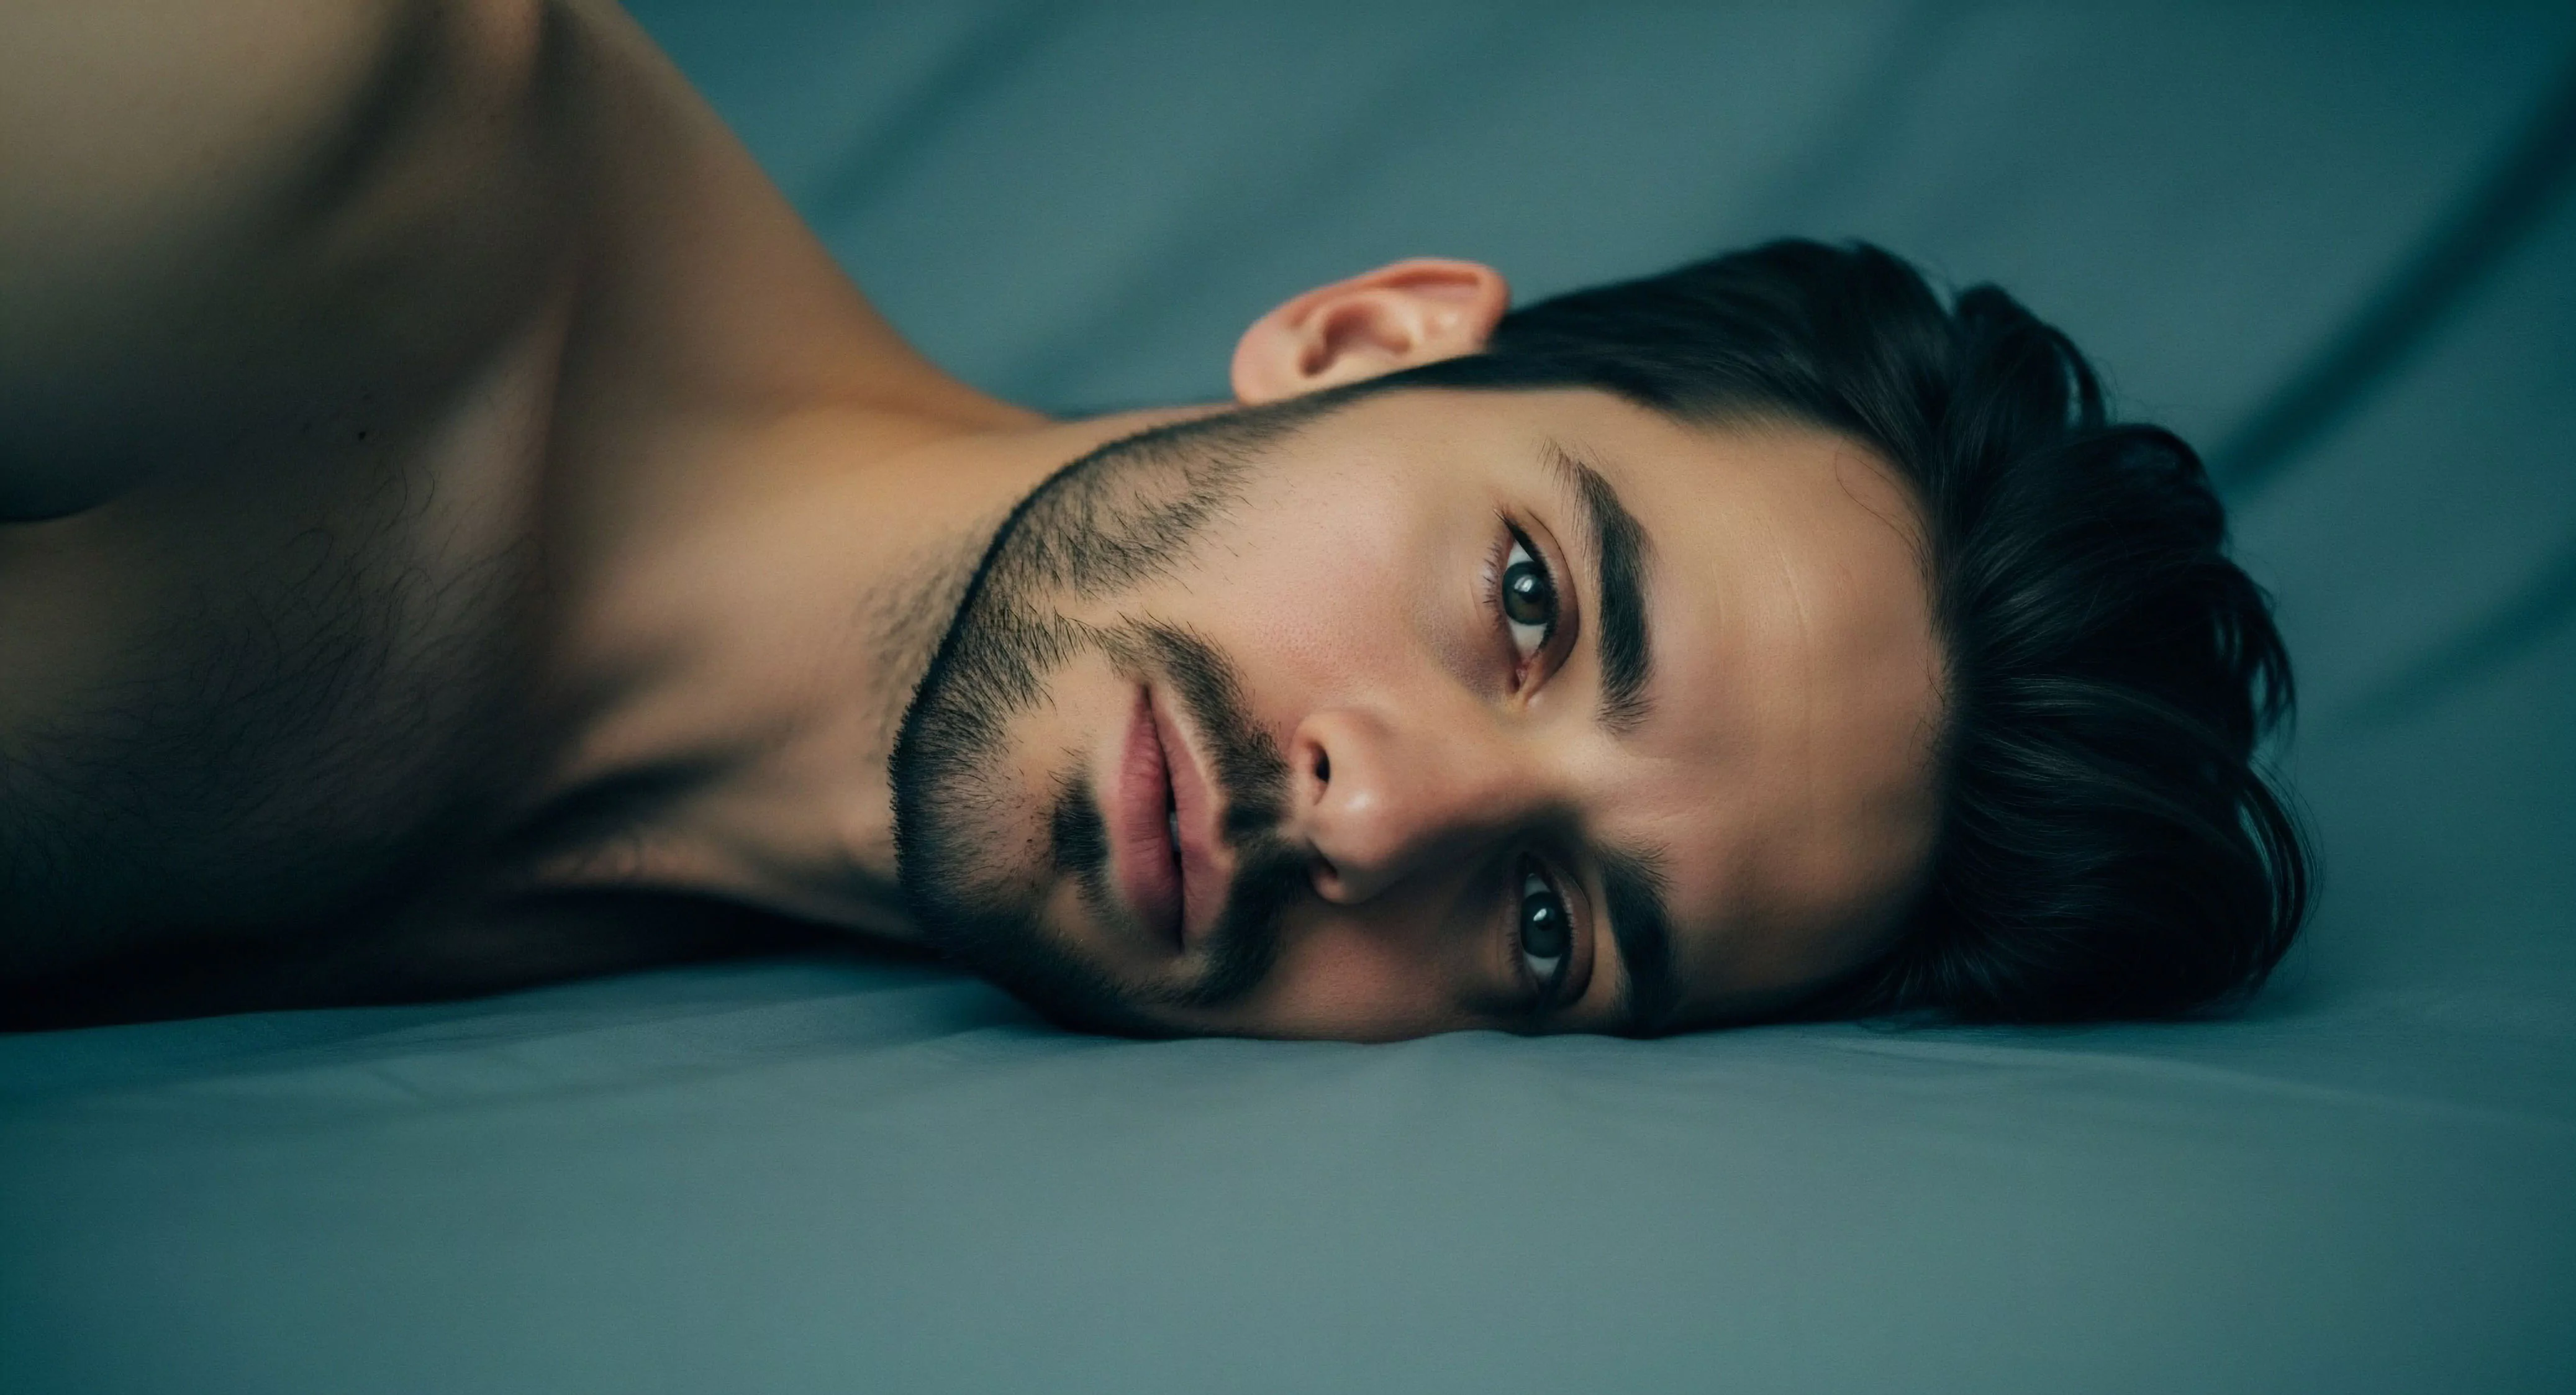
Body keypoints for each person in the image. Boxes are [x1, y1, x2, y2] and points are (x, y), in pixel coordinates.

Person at [0, 0, 2307, 1036]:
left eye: (1549, 932)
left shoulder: (621, 901)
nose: (1383, 817)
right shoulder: (286, 133)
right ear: (1361, 339)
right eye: (1528, 600)